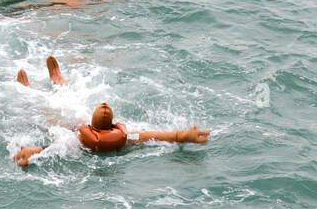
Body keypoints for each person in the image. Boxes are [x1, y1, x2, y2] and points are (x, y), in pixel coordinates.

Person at [12, 58, 210, 167]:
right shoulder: (126, 138)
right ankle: (56, 77)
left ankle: (27, 89)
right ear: (114, 126)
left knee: (50, 109)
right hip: (82, 124)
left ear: (91, 124)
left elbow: (52, 147)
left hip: (69, 126)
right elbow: (156, 136)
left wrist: (32, 150)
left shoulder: (79, 140)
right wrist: (183, 136)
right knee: (70, 99)